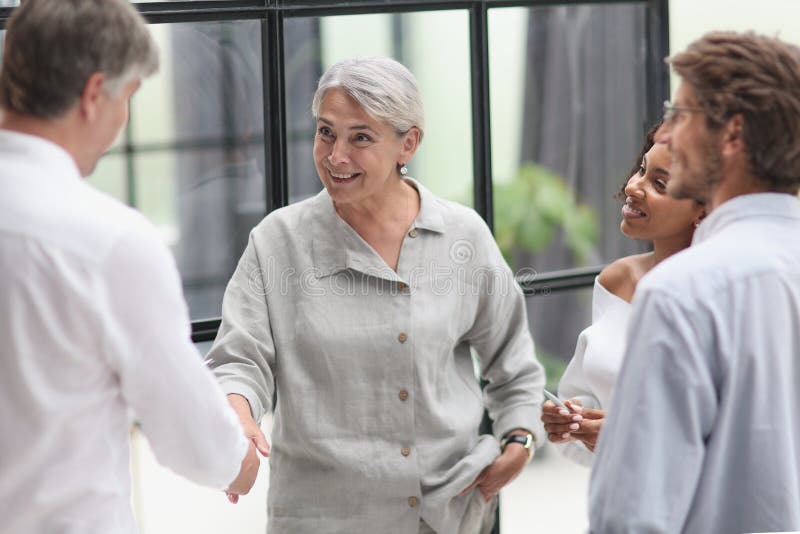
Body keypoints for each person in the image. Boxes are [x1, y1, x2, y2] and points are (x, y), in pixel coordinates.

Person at [207, 56, 545, 533]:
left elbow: (512, 360)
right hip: (325, 519)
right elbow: (239, 361)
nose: (335, 155)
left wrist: (519, 439)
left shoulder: (462, 236)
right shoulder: (278, 241)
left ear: (408, 143)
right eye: (326, 132)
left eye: (360, 137)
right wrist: (239, 418)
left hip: (450, 513)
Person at [0, 1, 259, 533]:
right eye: (128, 99)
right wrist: (241, 463)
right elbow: (194, 439)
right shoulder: (110, 242)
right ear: (95, 95)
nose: (123, 120)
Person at [589, 31, 800, 533]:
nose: (664, 134)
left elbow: (631, 513)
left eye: (680, 114)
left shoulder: (682, 291)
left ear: (731, 135)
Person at [539, 125, 705, 465]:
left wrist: (627, 438)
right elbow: (588, 397)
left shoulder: (718, 299)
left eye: (658, 183)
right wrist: (571, 422)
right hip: (620, 504)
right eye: (642, 170)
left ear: (702, 209)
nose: (632, 185)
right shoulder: (617, 280)